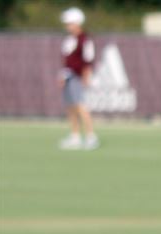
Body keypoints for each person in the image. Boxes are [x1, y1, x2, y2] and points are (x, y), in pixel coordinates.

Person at [58, 7, 97, 151]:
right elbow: (67, 61)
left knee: (80, 106)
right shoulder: (69, 39)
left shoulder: (84, 39)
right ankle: (75, 137)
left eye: (69, 23)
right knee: (71, 107)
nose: (67, 26)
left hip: (77, 76)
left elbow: (88, 60)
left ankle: (91, 137)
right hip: (68, 76)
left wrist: (86, 76)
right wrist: (63, 75)